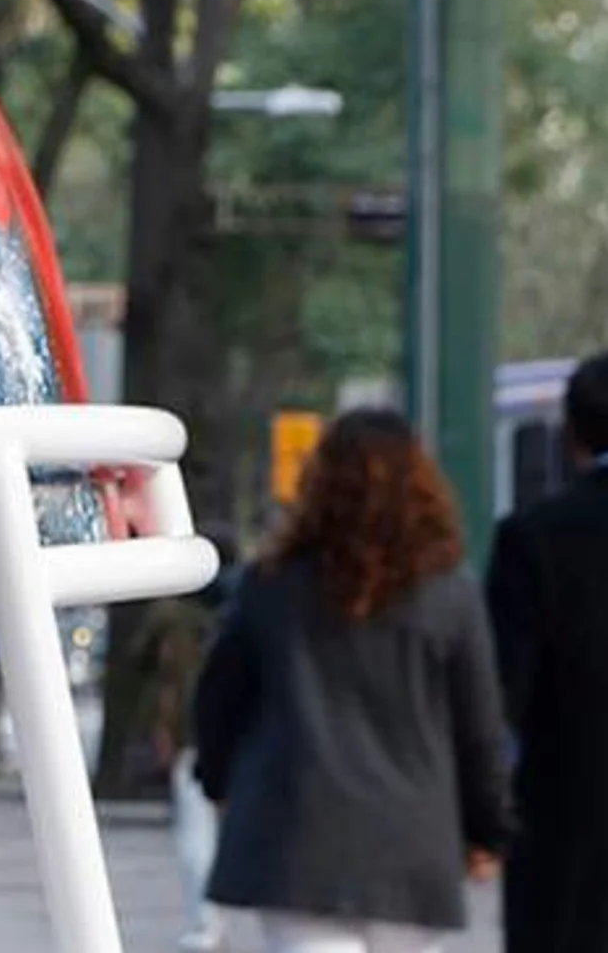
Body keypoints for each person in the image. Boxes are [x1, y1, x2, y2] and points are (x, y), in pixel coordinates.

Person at [194, 409, 513, 953]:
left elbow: (219, 698)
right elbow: (479, 728)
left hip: (297, 838)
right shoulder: (450, 593)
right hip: (413, 846)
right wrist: (487, 830)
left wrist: (219, 781)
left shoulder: (270, 586)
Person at [486, 351, 608, 953]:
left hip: (567, 825)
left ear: (573, 435)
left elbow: (503, 691)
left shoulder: (532, 538)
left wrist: (485, 812)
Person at [131, 528, 242, 952]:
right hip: (244, 734)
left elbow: (139, 659)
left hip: (187, 732)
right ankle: (225, 914)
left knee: (196, 833)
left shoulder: (172, 615)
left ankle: (208, 921)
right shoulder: (246, 608)